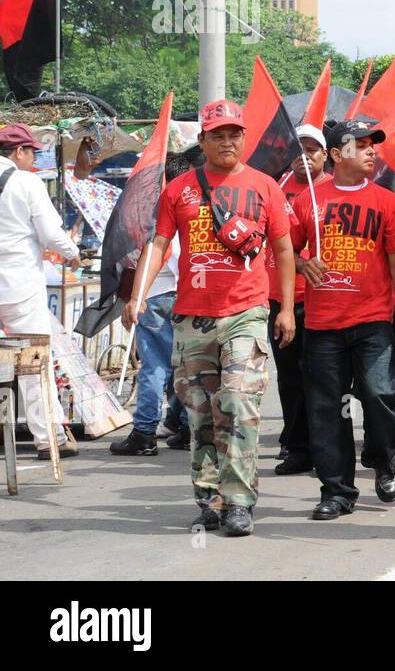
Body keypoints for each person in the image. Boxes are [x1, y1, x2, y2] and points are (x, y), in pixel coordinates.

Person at [124, 100, 297, 537]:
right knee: (200, 414)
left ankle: (239, 501)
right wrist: (138, 295)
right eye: (217, 134)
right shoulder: (178, 189)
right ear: (202, 141)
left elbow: (283, 250)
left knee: (238, 403)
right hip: (192, 317)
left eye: (234, 133)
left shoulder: (264, 186)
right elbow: (159, 244)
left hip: (246, 312)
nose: (226, 141)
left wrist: (288, 309)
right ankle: (209, 499)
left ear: (244, 138)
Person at [293, 118, 395, 520]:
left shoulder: (387, 202)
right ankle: (337, 490)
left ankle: (382, 457)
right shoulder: (307, 201)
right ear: (335, 154)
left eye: (373, 145)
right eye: (361, 145)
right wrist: (301, 262)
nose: (371, 151)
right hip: (322, 324)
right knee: (327, 409)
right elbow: (282, 252)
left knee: (380, 395)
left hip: (373, 320)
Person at [0, 123, 82, 459]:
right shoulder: (26, 182)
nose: (34, 159)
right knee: (35, 363)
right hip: (18, 288)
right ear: (18, 152)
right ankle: (49, 437)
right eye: (32, 152)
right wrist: (73, 253)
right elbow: (50, 234)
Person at [109, 157, 185, 457]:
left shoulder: (158, 209)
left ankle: (144, 431)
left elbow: (149, 253)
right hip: (179, 293)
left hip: (156, 293)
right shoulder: (189, 202)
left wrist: (135, 298)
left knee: (155, 366)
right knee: (186, 365)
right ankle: (186, 426)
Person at [264, 123, 328, 475]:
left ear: (326, 155)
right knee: (288, 375)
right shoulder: (274, 188)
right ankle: (296, 445)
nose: (304, 157)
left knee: (317, 375)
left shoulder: (331, 192)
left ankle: (323, 445)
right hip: (279, 298)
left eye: (312, 150)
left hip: (319, 299)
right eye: (298, 150)